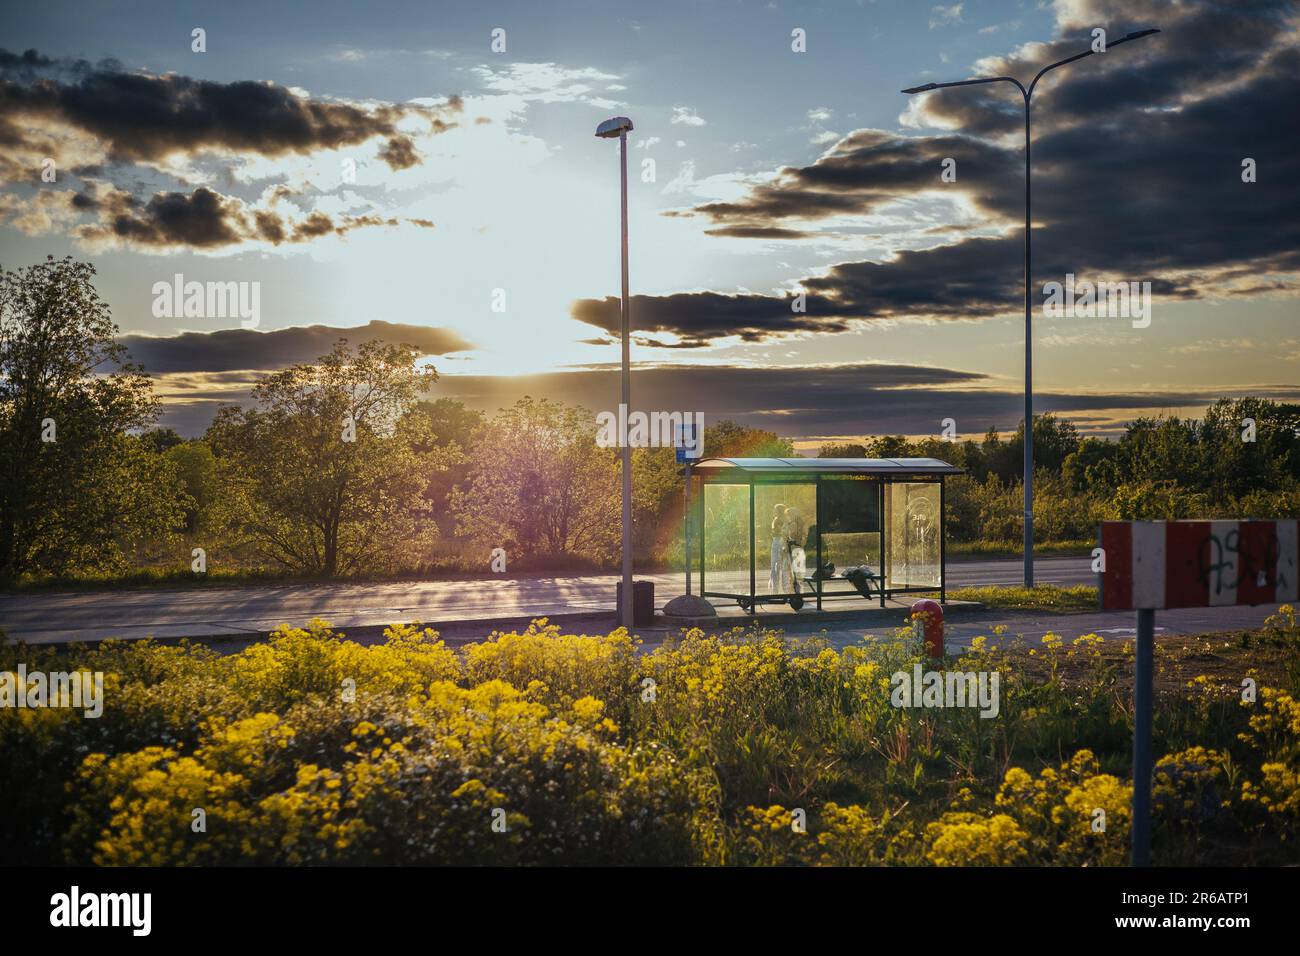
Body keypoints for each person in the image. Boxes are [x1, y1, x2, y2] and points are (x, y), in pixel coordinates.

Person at [768, 504, 790, 592]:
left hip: (777, 542)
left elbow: (779, 532)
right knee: (783, 567)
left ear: (779, 511)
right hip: (781, 542)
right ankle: (785, 589)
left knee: (775, 566)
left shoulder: (777, 520)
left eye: (775, 509)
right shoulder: (784, 520)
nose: (773, 511)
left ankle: (775, 590)